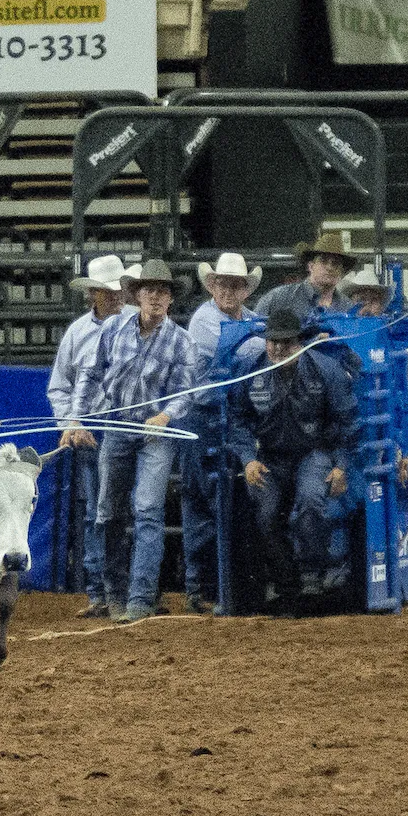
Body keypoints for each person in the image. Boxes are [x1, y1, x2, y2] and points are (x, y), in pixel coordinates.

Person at [61, 260, 198, 624]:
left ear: (170, 300)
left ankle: (139, 598)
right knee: (108, 512)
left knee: (148, 510)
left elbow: (186, 392)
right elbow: (90, 374)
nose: (156, 297)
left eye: (163, 292)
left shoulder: (182, 341)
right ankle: (114, 594)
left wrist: (166, 415)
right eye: (149, 290)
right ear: (136, 295)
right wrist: (77, 417)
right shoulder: (115, 328)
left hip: (158, 434)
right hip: (118, 424)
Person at [228, 308, 359, 610]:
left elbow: (348, 421)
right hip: (269, 456)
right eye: (272, 341)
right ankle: (286, 580)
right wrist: (248, 458)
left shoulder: (326, 370)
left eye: (285, 342)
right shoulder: (252, 370)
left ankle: (312, 573)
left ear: (299, 342)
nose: (276, 348)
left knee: (311, 500)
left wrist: (341, 465)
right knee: (265, 513)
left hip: (315, 452)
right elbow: (238, 420)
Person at [175, 252, 263, 614]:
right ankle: (201, 586)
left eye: (236, 284)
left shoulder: (253, 321)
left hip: (238, 415)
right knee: (203, 499)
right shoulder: (203, 320)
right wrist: (266, 345)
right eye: (223, 283)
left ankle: (221, 584)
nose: (228, 290)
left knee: (227, 501)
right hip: (203, 414)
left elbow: (257, 349)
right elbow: (247, 353)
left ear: (245, 289)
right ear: (212, 286)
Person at [49, 255, 134, 618]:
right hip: (91, 429)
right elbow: (60, 387)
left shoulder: (136, 324)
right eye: (107, 292)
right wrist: (71, 424)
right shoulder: (78, 332)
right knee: (96, 513)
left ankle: (118, 589)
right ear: (93, 295)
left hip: (124, 426)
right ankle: (101, 591)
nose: (115, 297)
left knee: (116, 511)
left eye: (118, 291)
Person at [253, 232, 355, 320]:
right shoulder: (279, 298)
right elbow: (254, 330)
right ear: (310, 266)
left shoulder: (348, 307)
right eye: (323, 261)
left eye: (335, 263)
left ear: (341, 271)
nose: (329, 267)